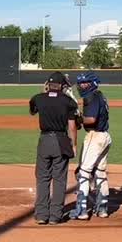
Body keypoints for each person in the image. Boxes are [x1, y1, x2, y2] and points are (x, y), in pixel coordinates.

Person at [29, 72, 80, 225]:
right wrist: (74, 144)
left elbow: (33, 111)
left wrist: (45, 92)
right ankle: (56, 215)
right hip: (61, 140)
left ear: (48, 85)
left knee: (42, 178)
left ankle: (41, 215)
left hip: (44, 140)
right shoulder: (69, 101)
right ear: (62, 85)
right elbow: (72, 126)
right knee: (59, 179)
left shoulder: (38, 98)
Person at [72, 71, 113, 220]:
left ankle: (81, 211)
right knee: (100, 172)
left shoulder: (91, 97)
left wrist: (78, 119)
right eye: (81, 83)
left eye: (86, 82)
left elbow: (91, 120)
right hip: (105, 137)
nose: (82, 85)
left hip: (95, 137)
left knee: (83, 172)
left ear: (93, 83)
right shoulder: (100, 95)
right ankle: (102, 209)